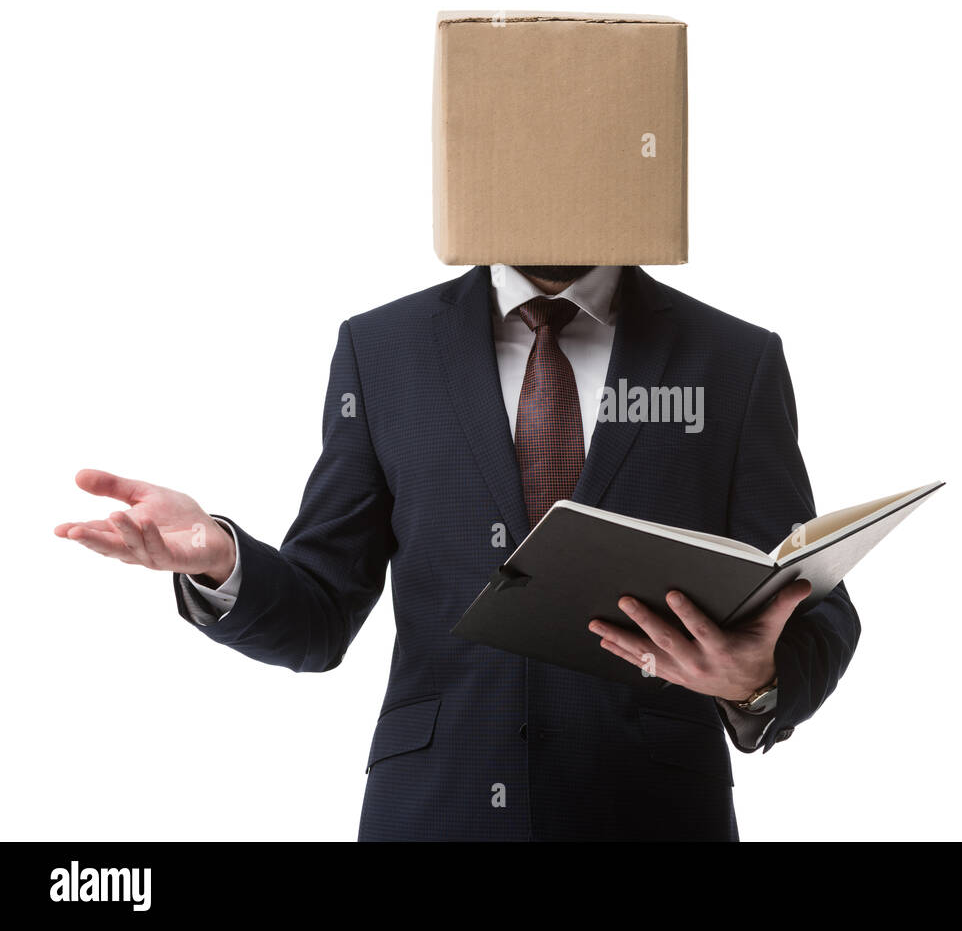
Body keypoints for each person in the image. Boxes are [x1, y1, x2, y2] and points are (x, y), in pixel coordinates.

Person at [56, 262, 860, 840]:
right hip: (438, 808)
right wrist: (220, 558)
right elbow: (320, 613)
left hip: (651, 808)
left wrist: (757, 680)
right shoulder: (384, 352)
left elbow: (812, 605)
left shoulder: (732, 360)